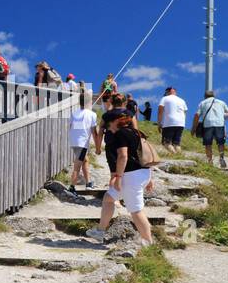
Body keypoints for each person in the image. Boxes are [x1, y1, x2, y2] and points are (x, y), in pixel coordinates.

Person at [87, 107, 154, 245]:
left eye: (108, 125)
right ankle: (100, 231)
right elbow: (145, 155)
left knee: (136, 211)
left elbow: (123, 156)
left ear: (115, 122)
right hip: (142, 172)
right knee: (109, 198)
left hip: (131, 176)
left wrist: (118, 177)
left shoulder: (120, 134)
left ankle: (148, 242)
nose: (107, 128)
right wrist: (149, 177)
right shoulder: (136, 133)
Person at [68, 91, 98, 190]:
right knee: (77, 165)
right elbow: (94, 132)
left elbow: (71, 126)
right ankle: (72, 187)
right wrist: (98, 147)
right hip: (82, 142)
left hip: (74, 141)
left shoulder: (74, 113)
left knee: (85, 160)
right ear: (89, 102)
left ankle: (88, 183)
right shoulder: (92, 114)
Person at [193, 89, 228, 168]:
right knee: (220, 142)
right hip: (219, 124)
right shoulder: (221, 102)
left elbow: (197, 115)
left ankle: (210, 161)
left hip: (208, 124)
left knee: (208, 144)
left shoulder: (202, 103)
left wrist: (194, 128)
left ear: (205, 96)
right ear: (214, 95)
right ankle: (221, 158)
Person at [157, 85, 188, 155]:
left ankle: (175, 154)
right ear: (175, 92)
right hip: (181, 123)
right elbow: (185, 112)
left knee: (166, 143)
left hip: (169, 122)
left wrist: (159, 123)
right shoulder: (182, 100)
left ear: (168, 92)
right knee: (176, 143)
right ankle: (180, 156)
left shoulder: (165, 98)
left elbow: (160, 111)